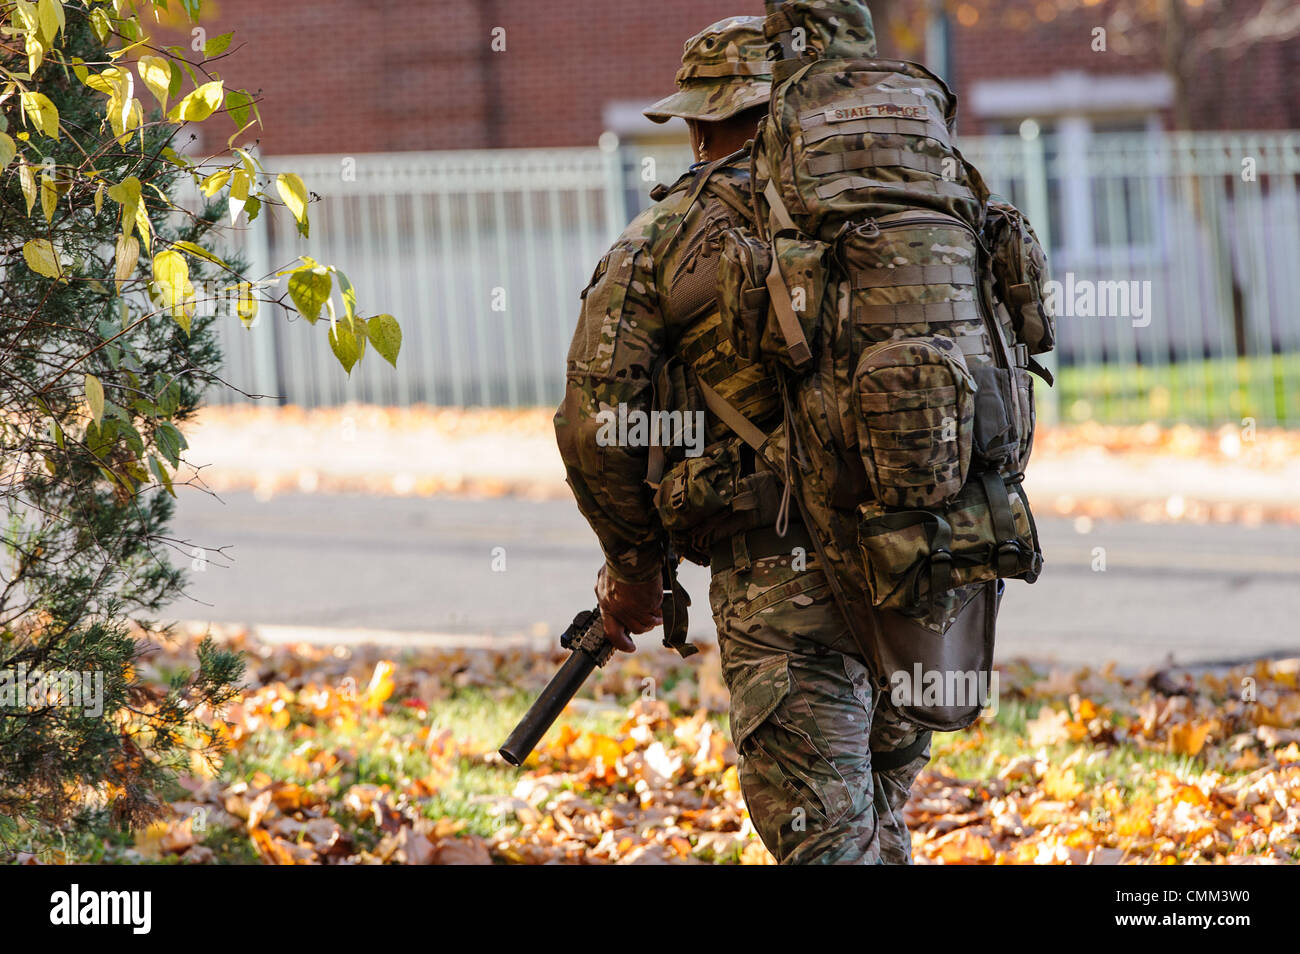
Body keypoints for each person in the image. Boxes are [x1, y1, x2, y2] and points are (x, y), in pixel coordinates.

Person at [555, 14, 929, 864]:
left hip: (785, 578)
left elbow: (594, 423)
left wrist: (635, 572)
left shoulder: (669, 235)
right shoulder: (913, 201)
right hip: (929, 563)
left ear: (699, 121)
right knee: (880, 820)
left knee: (828, 841)